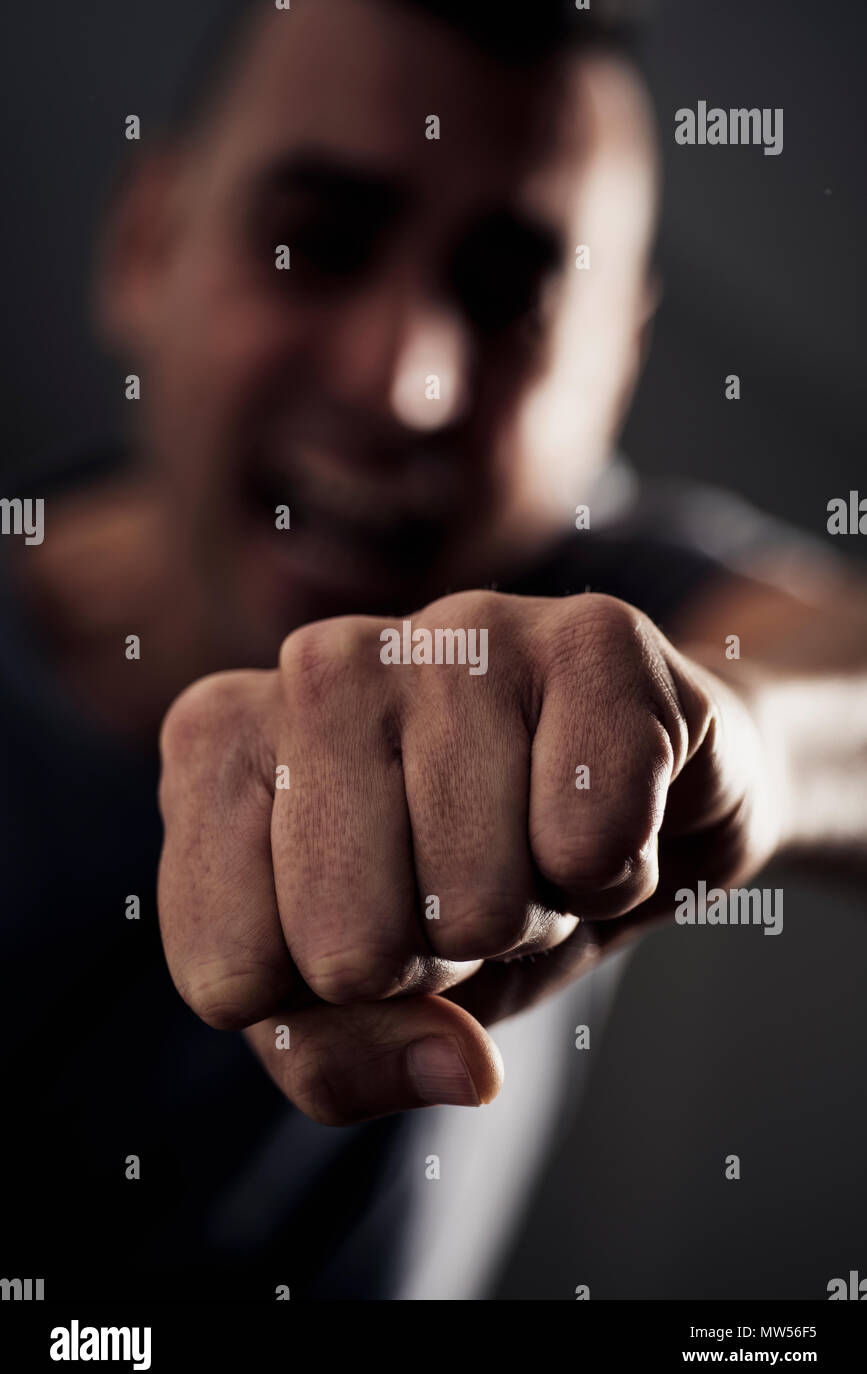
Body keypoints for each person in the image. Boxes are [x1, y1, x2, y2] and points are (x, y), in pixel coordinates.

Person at [1, 0, 864, 1301]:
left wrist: (739, 737)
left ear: (613, 360)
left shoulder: (594, 595)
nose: (408, 381)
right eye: (317, 246)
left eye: (515, 294)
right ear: (146, 242)